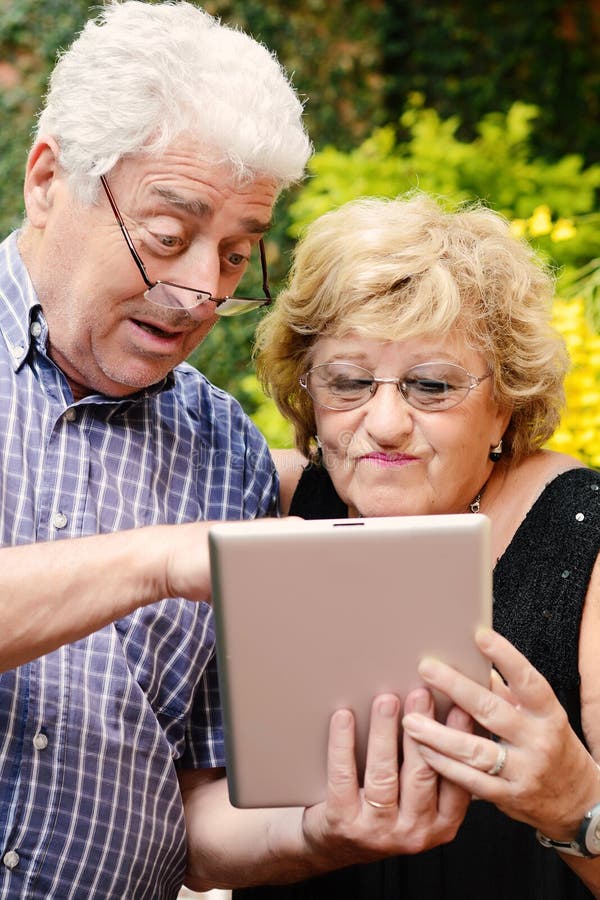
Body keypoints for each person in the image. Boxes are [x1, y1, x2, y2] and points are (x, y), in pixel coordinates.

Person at [0, 5, 472, 897]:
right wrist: (162, 559)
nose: (196, 292)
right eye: (169, 236)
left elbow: (198, 809)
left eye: (235, 255)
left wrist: (322, 829)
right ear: (48, 178)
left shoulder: (224, 452)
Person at [234, 193, 600, 900]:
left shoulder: (584, 536)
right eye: (348, 382)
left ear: (505, 403)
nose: (386, 422)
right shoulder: (271, 504)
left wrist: (575, 801)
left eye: (431, 386)